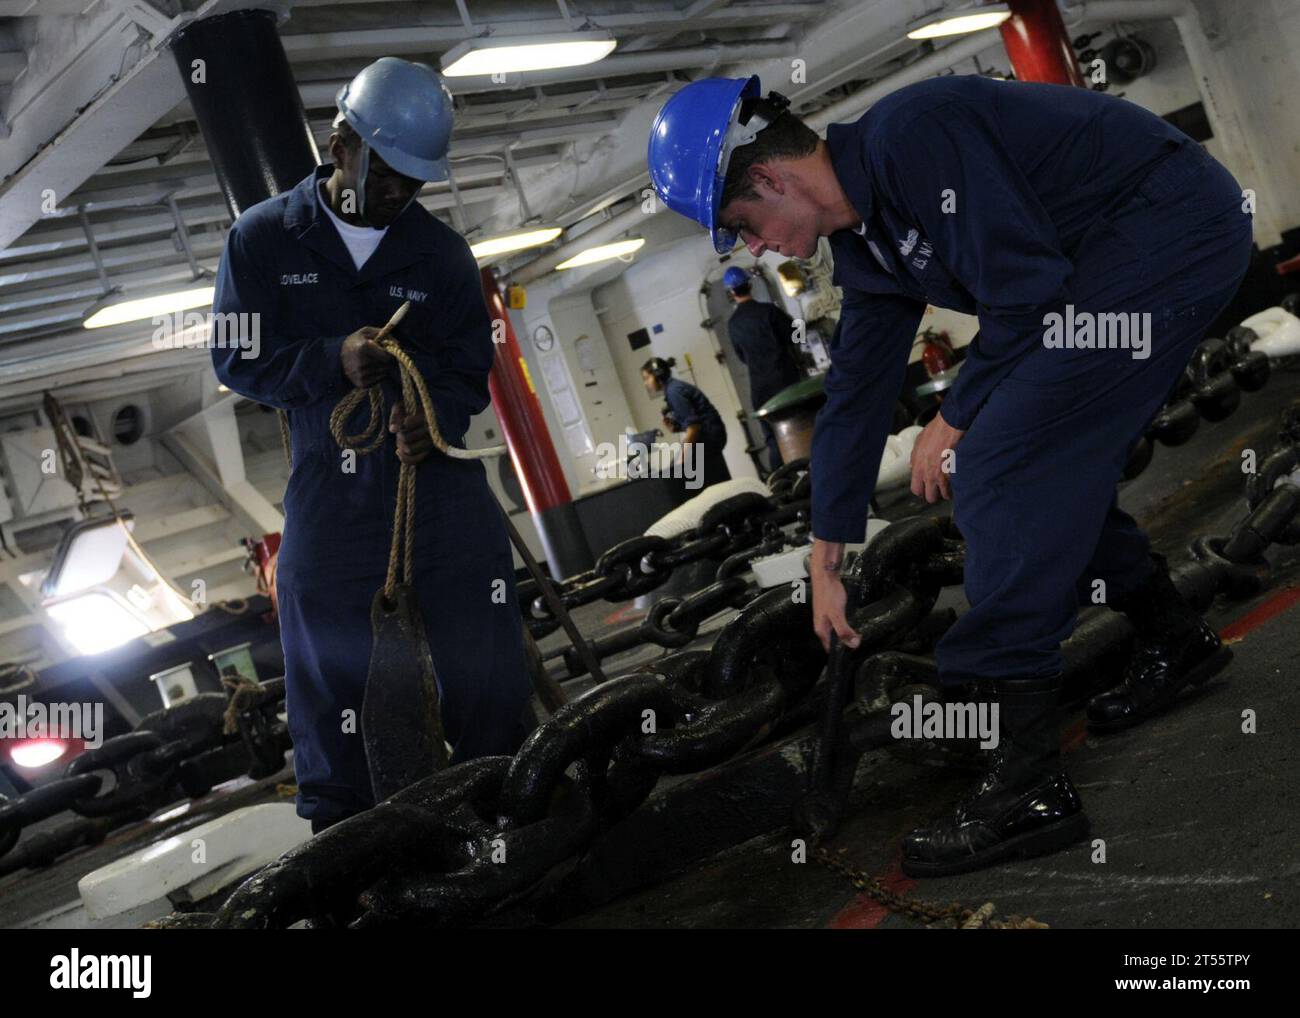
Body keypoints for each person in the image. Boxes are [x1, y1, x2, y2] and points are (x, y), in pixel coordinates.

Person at [648, 73, 1250, 875]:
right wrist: (828, 557)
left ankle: (1028, 782)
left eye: (742, 227)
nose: (754, 249)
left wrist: (953, 415)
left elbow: (1025, 290)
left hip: (1171, 231)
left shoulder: (915, 136)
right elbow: (856, 396)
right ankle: (1173, 637)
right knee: (1032, 457)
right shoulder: (866, 241)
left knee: (1000, 457)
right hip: (1098, 269)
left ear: (767, 178)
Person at [211, 57, 531, 833]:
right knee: (324, 662)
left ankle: (508, 811)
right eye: (384, 174)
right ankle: (343, 840)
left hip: (437, 483)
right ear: (340, 142)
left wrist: (435, 419)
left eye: (412, 183)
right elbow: (235, 357)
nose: (396, 194)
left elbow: (464, 368)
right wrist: (329, 360)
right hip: (334, 483)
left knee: (486, 652)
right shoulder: (260, 243)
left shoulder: (442, 255)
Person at [722, 265, 802, 472]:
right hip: (787, 383)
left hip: (760, 390)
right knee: (803, 429)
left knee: (774, 439)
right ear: (750, 285)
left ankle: (783, 488)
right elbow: (796, 337)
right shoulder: (769, 311)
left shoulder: (733, 324)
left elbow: (742, 357)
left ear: (731, 292)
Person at [641, 356, 731, 490]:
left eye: (647, 378)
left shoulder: (674, 392)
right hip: (711, 435)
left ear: (658, 375)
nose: (645, 383)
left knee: (675, 474)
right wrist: (676, 427)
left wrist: (682, 457)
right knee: (676, 471)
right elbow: (692, 422)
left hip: (709, 437)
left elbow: (694, 427)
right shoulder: (673, 388)